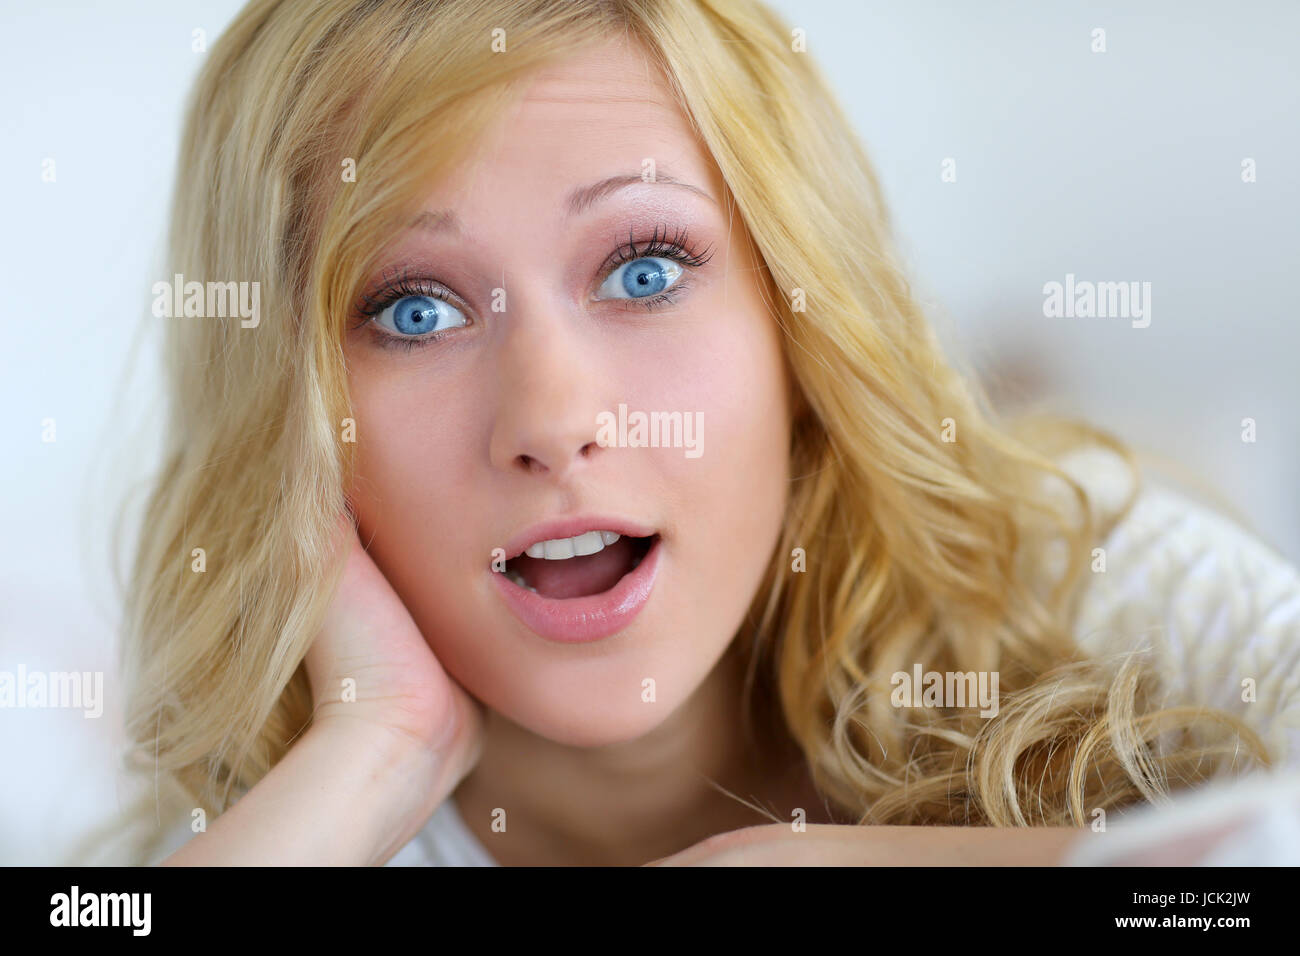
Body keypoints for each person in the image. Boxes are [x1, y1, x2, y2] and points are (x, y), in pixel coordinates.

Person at [87, 0, 1299, 866]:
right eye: (415, 309)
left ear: (798, 323)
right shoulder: (296, 825)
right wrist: (382, 748)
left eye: (645, 268)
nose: (554, 421)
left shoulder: (1067, 559)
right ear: (296, 413)